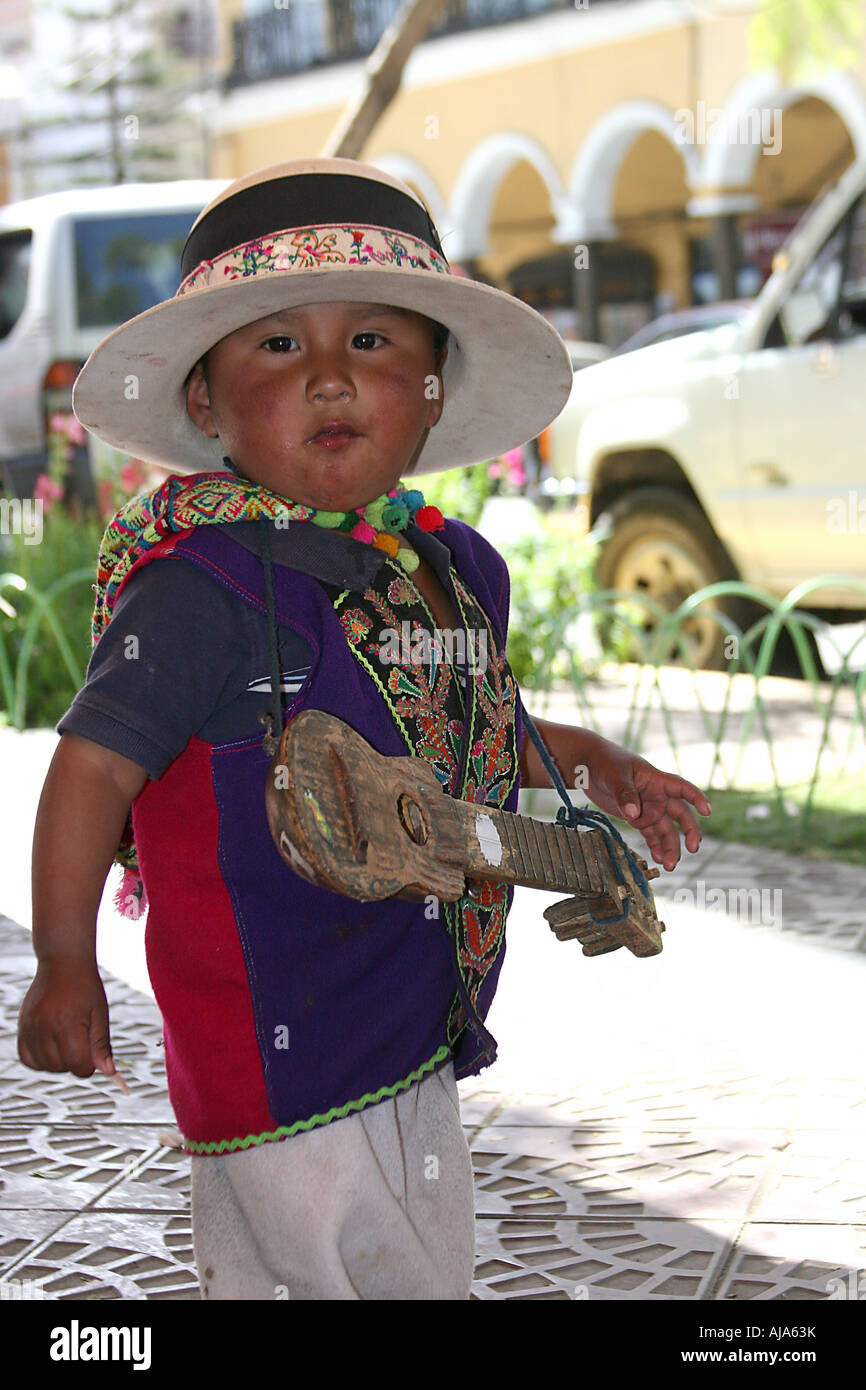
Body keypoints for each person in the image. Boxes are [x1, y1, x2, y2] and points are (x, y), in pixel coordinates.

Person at [17, 157, 711, 1300]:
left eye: (374, 343)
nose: (332, 377)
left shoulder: (444, 564)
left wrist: (587, 763)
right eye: (280, 346)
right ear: (205, 400)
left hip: (406, 1019)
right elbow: (92, 765)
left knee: (392, 1266)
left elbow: (473, 723)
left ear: (432, 386)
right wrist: (60, 958)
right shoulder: (199, 587)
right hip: (268, 1036)